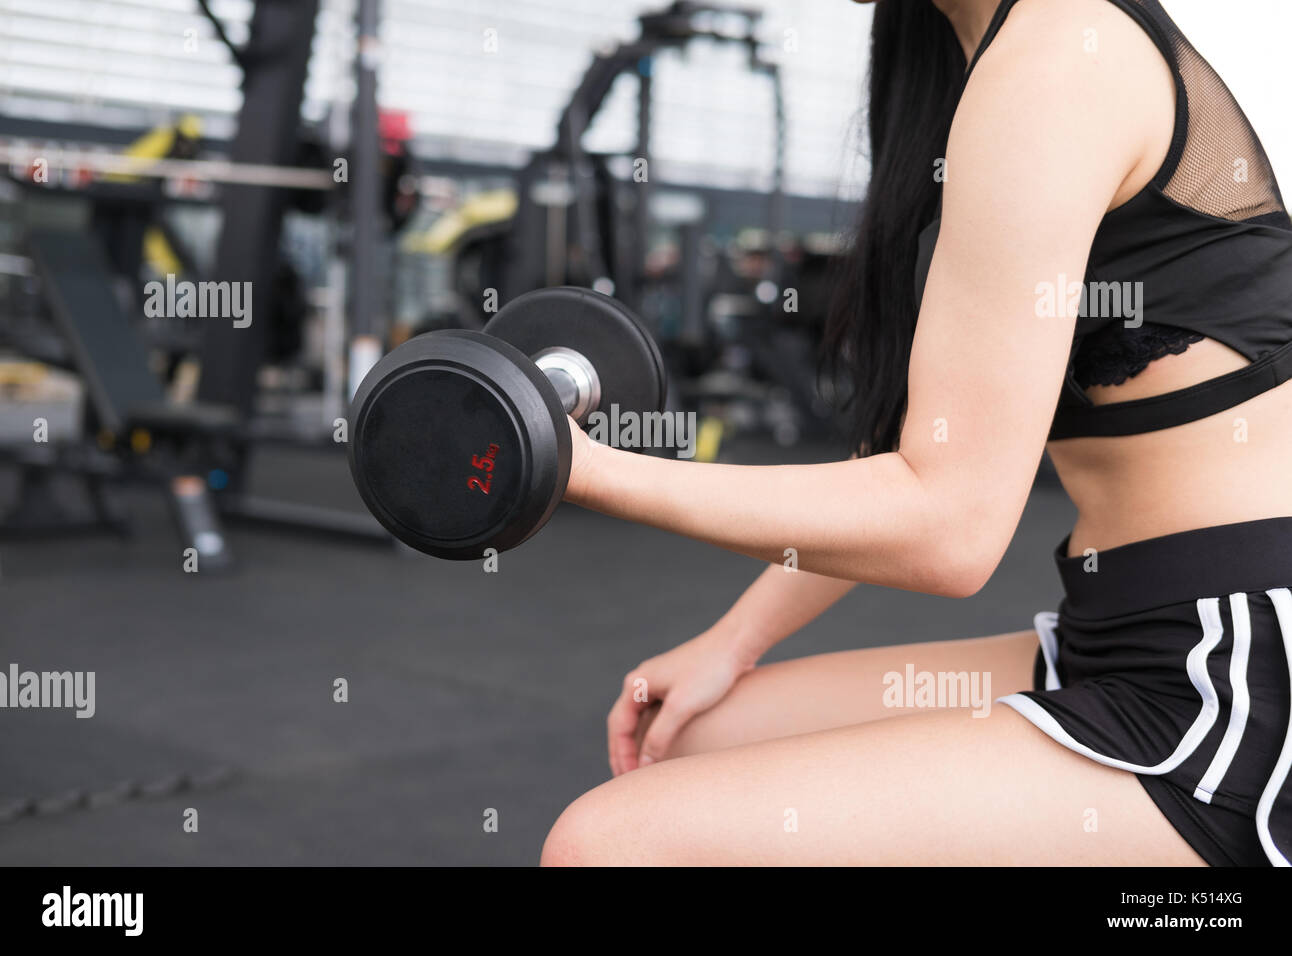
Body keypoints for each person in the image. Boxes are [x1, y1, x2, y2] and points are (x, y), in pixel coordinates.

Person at [541, 0, 1292, 866]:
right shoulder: (979, 67)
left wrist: (582, 468)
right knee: (702, 733)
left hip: (1233, 677)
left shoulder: (1060, 58)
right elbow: (910, 451)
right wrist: (731, 641)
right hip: (1113, 635)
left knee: (610, 847)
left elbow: (950, 528)